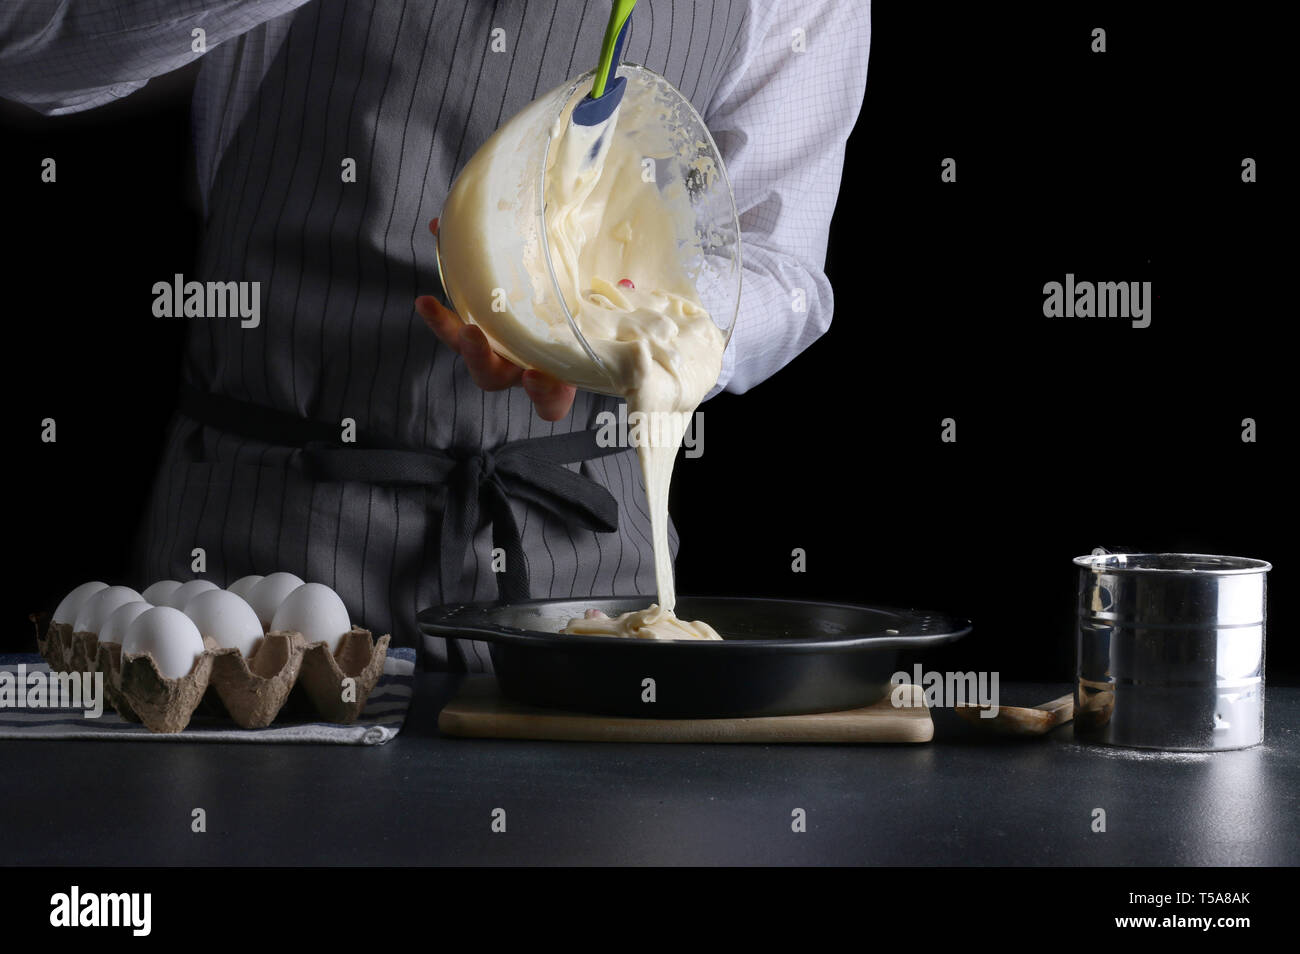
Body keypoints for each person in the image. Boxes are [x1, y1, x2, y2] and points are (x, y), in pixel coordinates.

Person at [0, 1, 870, 670]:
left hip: (591, 591)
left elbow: (778, 268)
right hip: (258, 566)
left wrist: (612, 329)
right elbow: (31, 50)